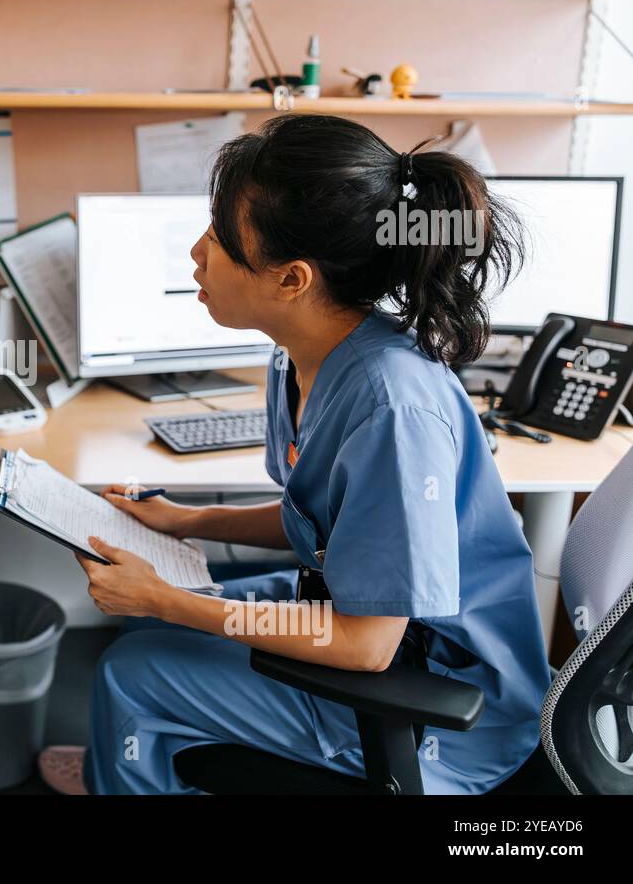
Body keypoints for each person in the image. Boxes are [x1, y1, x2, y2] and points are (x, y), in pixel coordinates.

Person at [39, 113, 550, 795]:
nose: (196, 252)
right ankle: (131, 758)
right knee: (180, 613)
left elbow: (366, 645)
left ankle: (132, 754)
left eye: (220, 239)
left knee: (132, 669)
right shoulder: (307, 358)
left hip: (434, 698)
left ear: (292, 280)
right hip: (362, 617)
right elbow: (323, 521)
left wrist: (163, 601)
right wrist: (185, 521)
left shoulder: (390, 407)